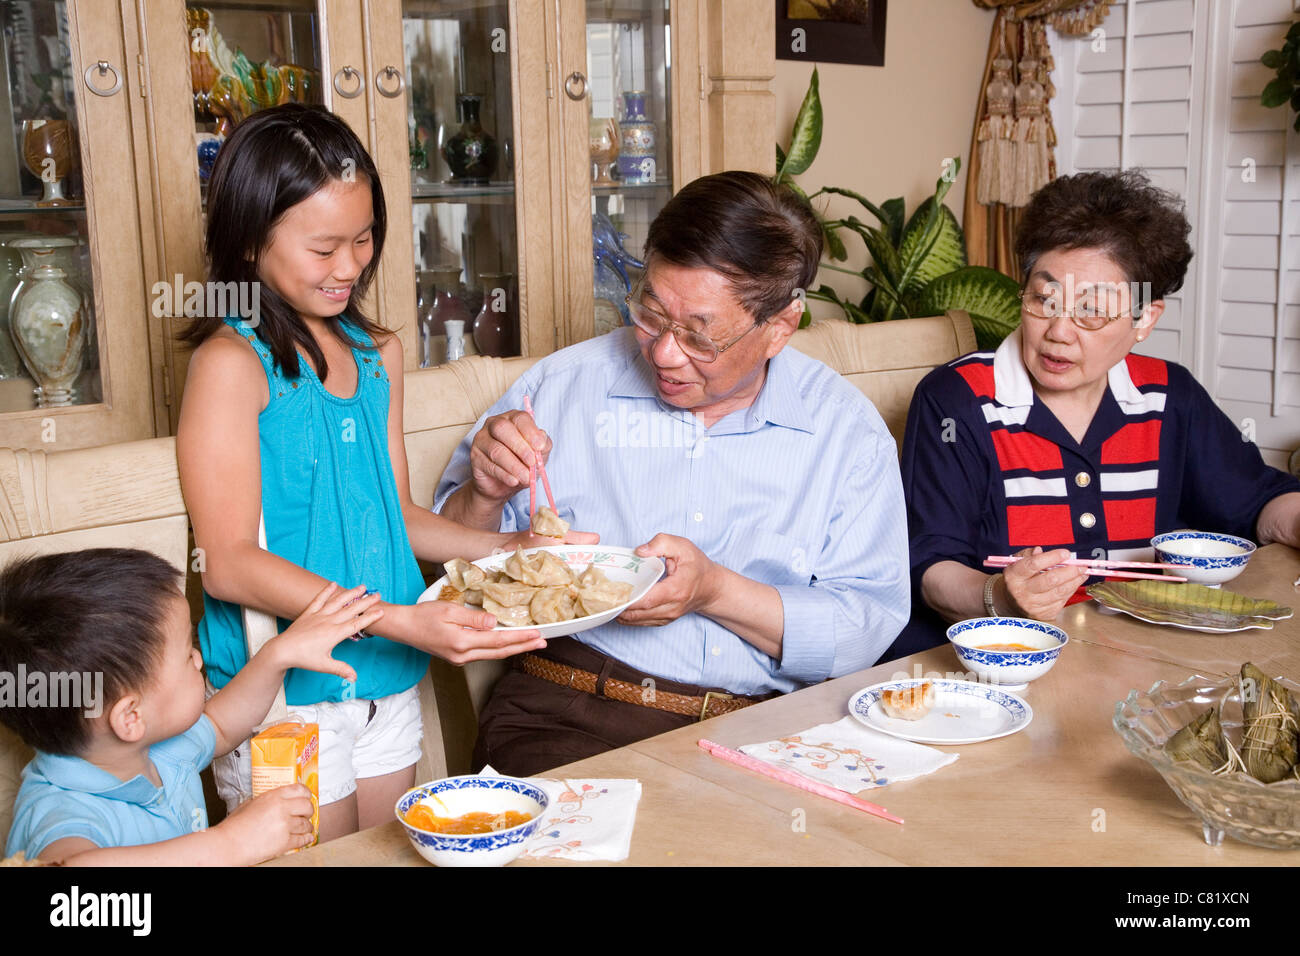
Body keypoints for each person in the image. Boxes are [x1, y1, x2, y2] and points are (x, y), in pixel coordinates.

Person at [176, 104, 591, 841]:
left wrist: (517, 553)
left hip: (388, 678)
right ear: (247, 244)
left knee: (385, 858)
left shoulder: (378, 356)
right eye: (323, 247)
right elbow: (230, 564)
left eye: (364, 239)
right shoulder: (230, 366)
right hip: (281, 696)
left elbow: (396, 516)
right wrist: (398, 618)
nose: (350, 266)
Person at [436, 170, 910, 775]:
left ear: (780, 328)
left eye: (699, 335)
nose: (663, 352)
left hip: (766, 733)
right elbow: (446, 565)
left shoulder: (845, 432)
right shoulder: (561, 389)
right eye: (652, 314)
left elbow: (866, 624)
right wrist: (484, 490)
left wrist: (714, 592)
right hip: (573, 710)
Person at [893, 169, 1300, 657]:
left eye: (1092, 312)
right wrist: (1000, 594)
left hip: (1142, 659)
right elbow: (930, 567)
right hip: (1004, 662)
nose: (1059, 331)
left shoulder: (1169, 396)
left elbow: (1257, 502)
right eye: (1044, 300)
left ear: (1144, 319)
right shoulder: (956, 400)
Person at [1, 548, 376, 864]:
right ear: (130, 717)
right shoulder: (59, 815)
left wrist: (278, 655)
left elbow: (221, 725)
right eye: (186, 655)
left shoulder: (154, 751)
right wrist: (232, 843)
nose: (198, 659)